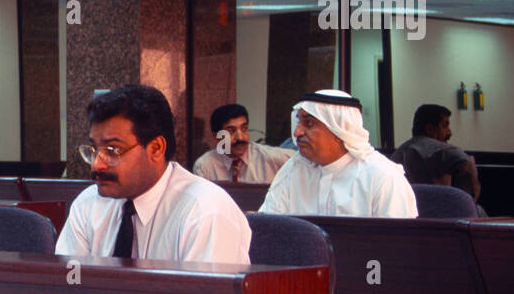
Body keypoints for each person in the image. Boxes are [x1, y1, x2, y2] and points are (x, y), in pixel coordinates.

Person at [56, 85, 251, 263]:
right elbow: (68, 285)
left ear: (156, 148)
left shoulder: (204, 212)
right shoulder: (88, 204)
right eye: (94, 149)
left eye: (113, 150)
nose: (97, 165)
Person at [260, 89, 418, 218]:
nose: (297, 132)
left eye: (308, 123)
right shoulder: (294, 169)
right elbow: (269, 226)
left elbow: (398, 249)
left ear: (339, 131)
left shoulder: (382, 177)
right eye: (298, 122)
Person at [392, 104, 481, 201]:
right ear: (430, 129)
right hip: (439, 212)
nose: (449, 132)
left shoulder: (395, 155)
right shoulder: (436, 149)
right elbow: (466, 163)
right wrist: (462, 204)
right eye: (445, 125)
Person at [192, 103, 294, 183]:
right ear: (216, 136)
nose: (240, 137)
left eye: (244, 129)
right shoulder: (205, 166)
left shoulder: (271, 158)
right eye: (231, 131)